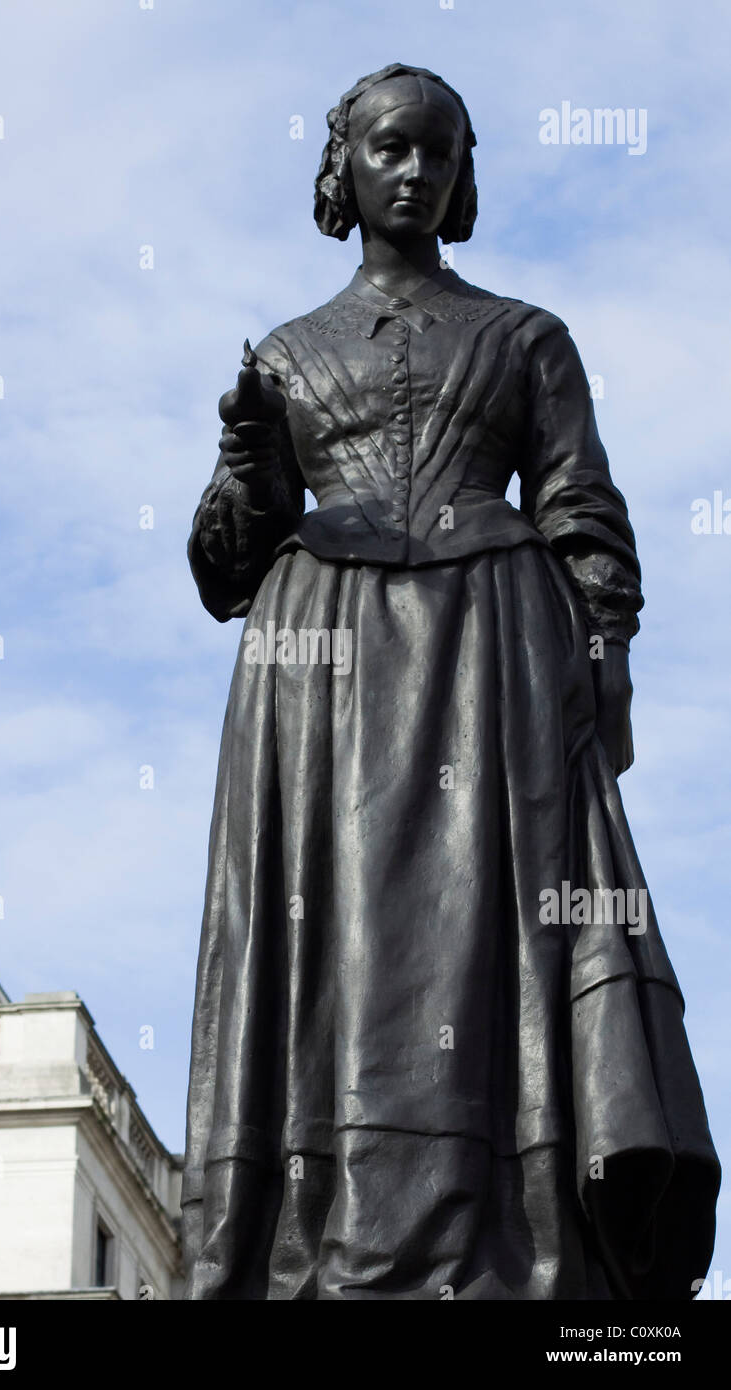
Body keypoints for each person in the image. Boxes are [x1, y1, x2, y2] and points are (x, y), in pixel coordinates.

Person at [181, 63, 720, 1300]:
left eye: (437, 151)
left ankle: (518, 1229)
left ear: (462, 173)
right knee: (332, 938)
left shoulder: (525, 337)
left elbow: (581, 510)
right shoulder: (281, 357)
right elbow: (222, 572)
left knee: (492, 938)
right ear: (345, 169)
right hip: (316, 671)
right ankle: (313, 1232)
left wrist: (601, 664)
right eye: (389, 149)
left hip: (496, 661)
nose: (414, 170)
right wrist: (247, 465)